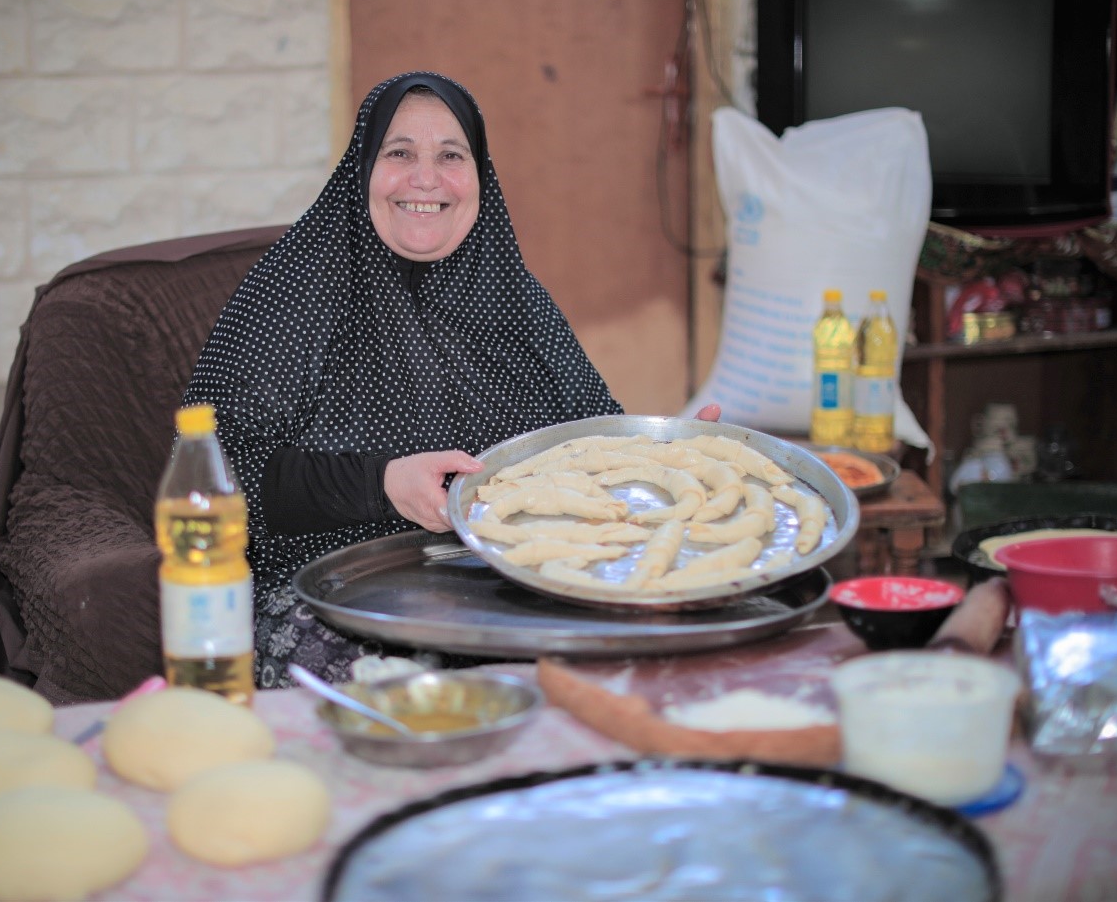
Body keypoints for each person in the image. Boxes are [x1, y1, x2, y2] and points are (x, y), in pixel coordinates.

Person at [182, 71, 719, 689]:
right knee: (410, 692)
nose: (426, 178)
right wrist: (381, 485)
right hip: (332, 600)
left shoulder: (513, 296)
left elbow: (589, 440)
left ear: (479, 177)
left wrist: (681, 458)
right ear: (362, 170)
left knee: (663, 651)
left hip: (508, 592)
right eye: (400, 153)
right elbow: (212, 477)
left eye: (451, 156)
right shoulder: (295, 290)